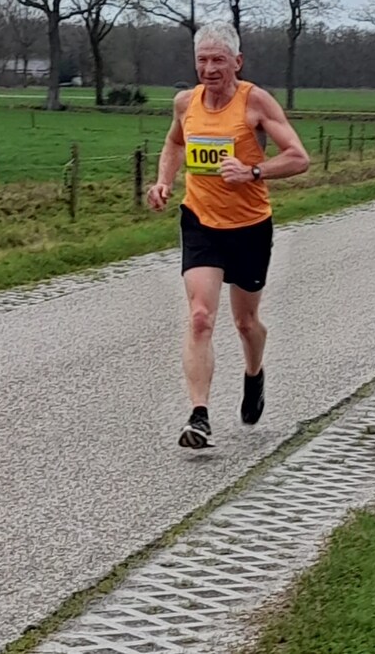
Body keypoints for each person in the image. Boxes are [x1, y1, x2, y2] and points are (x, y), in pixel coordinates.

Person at [147, 22, 310, 449]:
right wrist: (164, 180)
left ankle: (254, 374)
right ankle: (199, 415)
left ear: (237, 61)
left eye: (219, 59)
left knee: (245, 321)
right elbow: (174, 144)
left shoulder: (254, 102)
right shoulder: (186, 103)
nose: (209, 68)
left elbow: (298, 158)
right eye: (202, 59)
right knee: (201, 317)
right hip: (200, 222)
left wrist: (253, 170)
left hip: (250, 226)